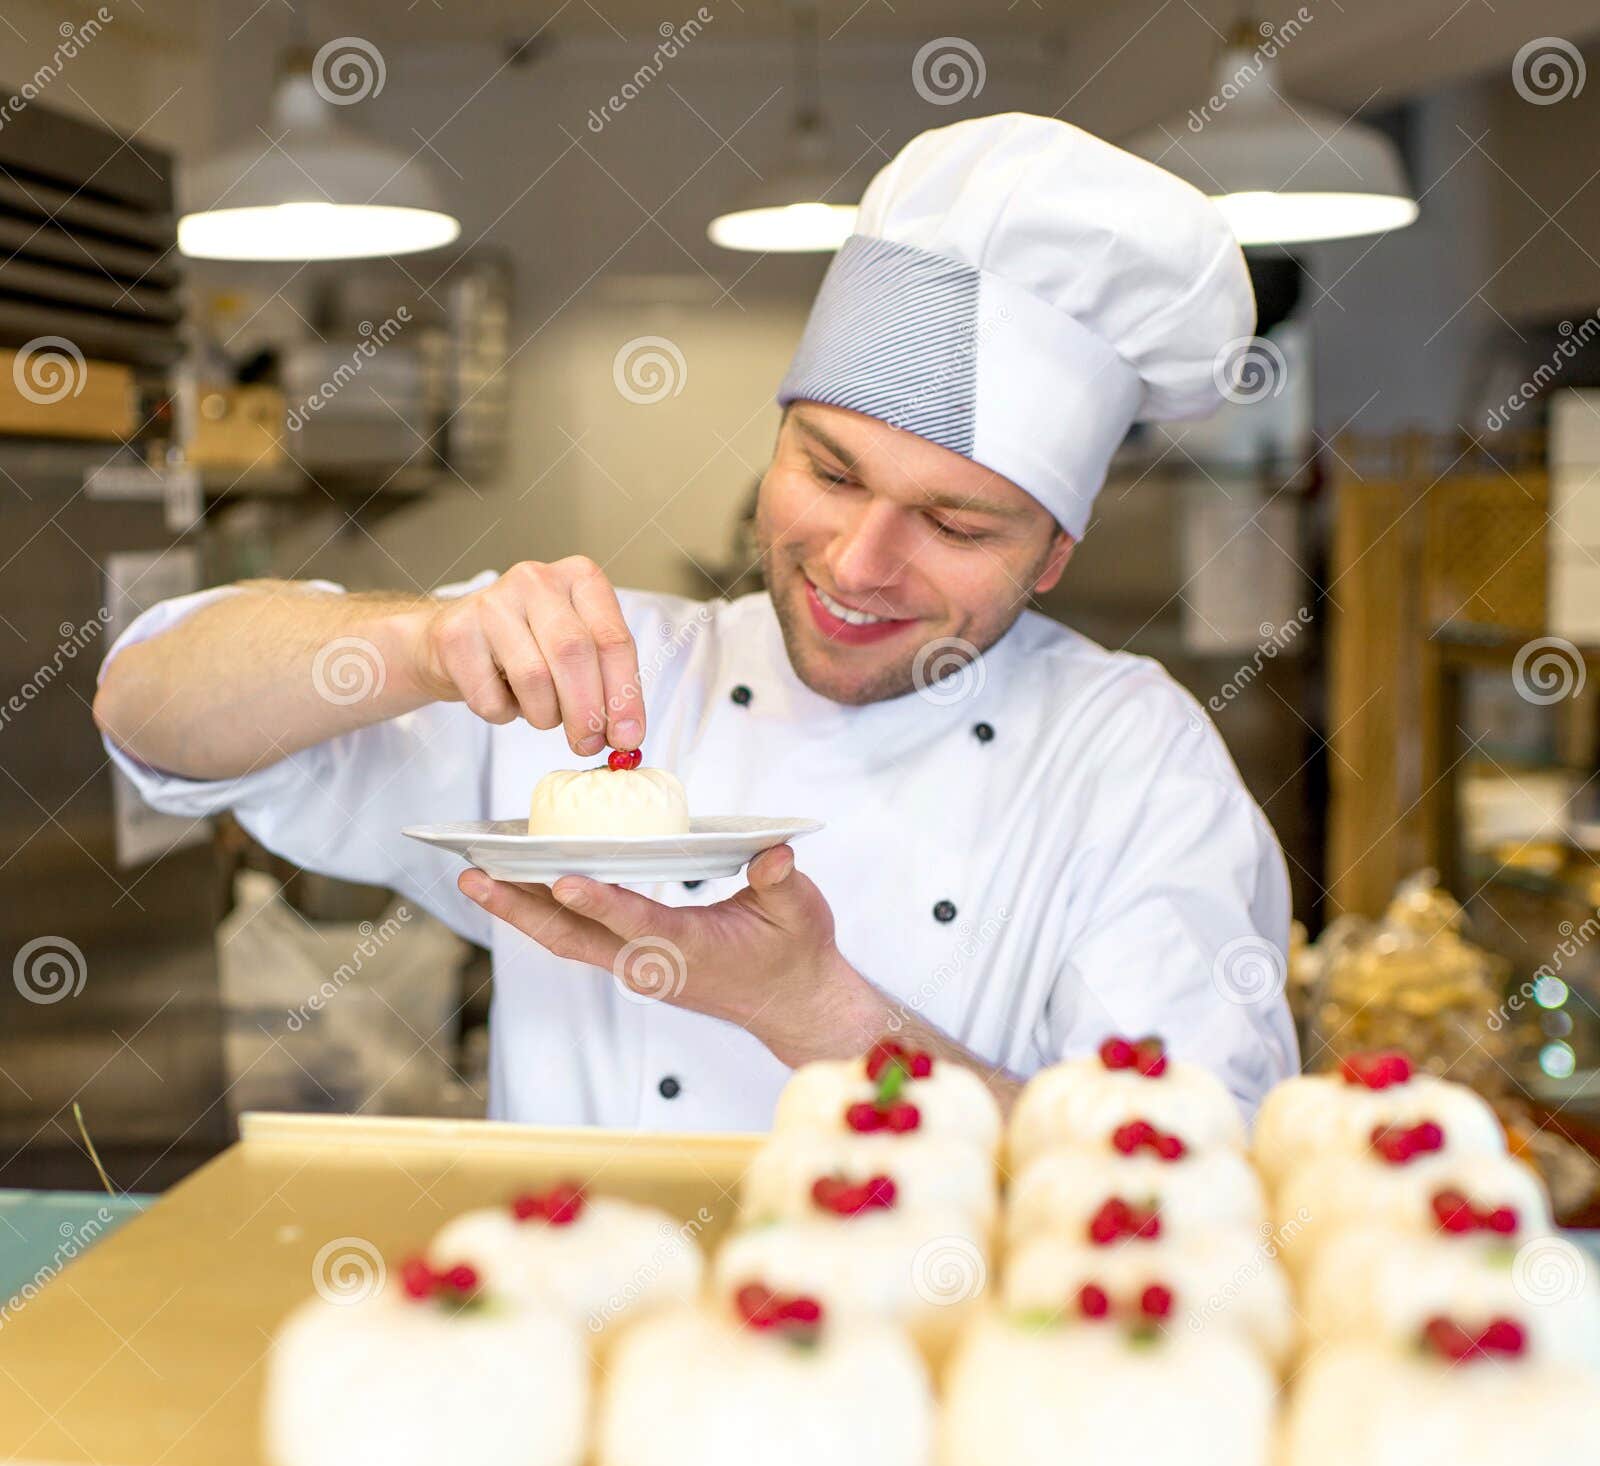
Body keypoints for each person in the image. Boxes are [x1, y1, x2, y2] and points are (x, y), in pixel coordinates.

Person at [94, 112, 1298, 1133]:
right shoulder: (602, 673)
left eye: (955, 524)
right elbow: (145, 704)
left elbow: (1185, 1177)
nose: (858, 563)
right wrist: (414, 645)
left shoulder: (1127, 762)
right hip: (582, 1319)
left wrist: (811, 1008)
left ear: (1052, 557)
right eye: (829, 472)